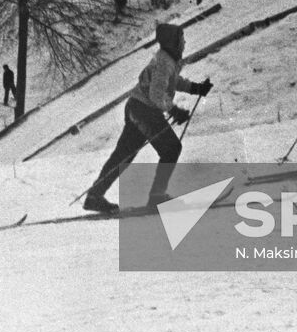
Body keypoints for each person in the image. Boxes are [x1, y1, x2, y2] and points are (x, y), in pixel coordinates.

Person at [82, 22, 212, 213]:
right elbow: (157, 95)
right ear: (173, 42)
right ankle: (157, 197)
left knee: (123, 154)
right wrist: (174, 110)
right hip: (144, 110)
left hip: (136, 107)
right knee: (171, 148)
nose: (184, 42)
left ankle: (94, 196)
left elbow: (172, 82)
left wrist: (195, 88)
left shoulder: (168, 59)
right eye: (181, 39)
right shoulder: (165, 62)